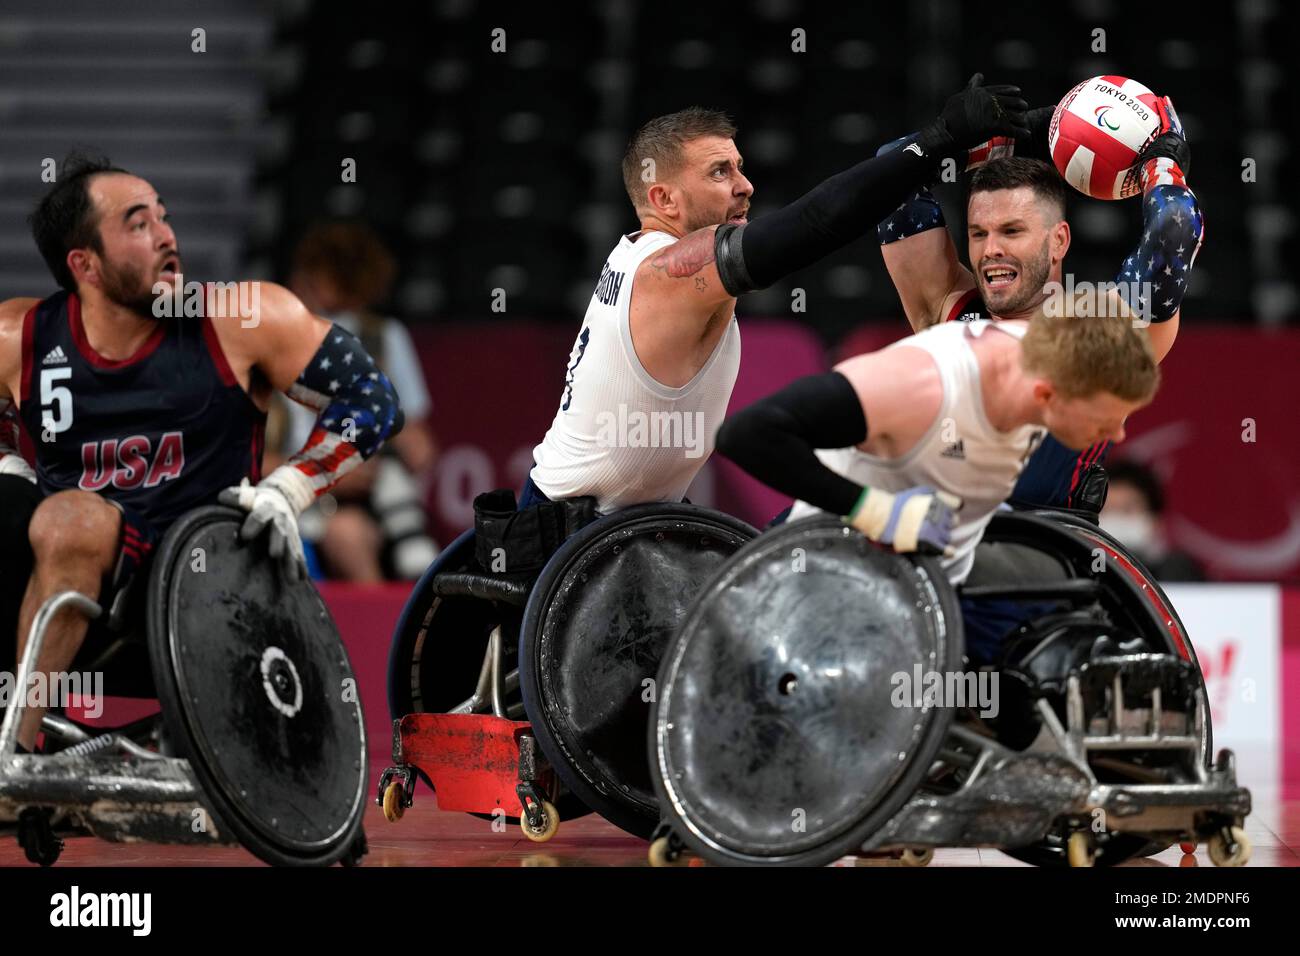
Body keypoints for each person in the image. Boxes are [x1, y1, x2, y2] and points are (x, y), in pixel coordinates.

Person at [0, 152, 403, 751]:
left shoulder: (240, 317)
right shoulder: (20, 337)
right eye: (138, 224)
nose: (167, 235)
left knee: (69, 517)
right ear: (84, 264)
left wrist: (289, 488)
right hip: (72, 588)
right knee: (38, 510)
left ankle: (14, 761)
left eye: (163, 217)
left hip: (202, 581)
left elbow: (372, 399)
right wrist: (13, 463)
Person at [524, 78, 1030, 512]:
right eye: (720, 172)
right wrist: (937, 139)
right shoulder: (669, 272)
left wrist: (1032, 126)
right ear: (663, 198)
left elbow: (858, 195)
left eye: (740, 167)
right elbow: (816, 222)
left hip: (617, 526)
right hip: (569, 539)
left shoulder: (646, 258)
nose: (745, 185)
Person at [715, 306, 1159, 663]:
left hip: (938, 591)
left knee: (1074, 671)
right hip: (831, 592)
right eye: (1104, 421)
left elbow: (1142, 315)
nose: (1117, 435)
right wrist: (877, 512)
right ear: (1047, 396)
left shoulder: (1058, 352)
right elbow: (748, 434)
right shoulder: (924, 386)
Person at [873, 85, 1202, 510]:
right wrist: (1029, 133)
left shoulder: (1103, 337)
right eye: (978, 233)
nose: (990, 249)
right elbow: (890, 171)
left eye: (1011, 231)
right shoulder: (949, 307)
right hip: (928, 548)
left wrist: (1161, 168)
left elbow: (1173, 228)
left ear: (1058, 242)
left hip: (1040, 557)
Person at [269, 220, 439, 582]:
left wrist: (402, 439)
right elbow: (241, 459)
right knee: (347, 535)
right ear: (299, 282)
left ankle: (388, 617)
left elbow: (421, 448)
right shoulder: (264, 344)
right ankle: (378, 630)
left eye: (346, 306)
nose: (335, 319)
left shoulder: (385, 338)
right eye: (322, 301)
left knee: (356, 529)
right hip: (290, 496)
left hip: (366, 504)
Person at [1101, 459, 1204, 582]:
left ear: (1156, 520)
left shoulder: (1179, 571)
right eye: (1106, 509)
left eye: (1127, 509)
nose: (1116, 519)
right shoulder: (1078, 569)